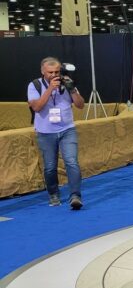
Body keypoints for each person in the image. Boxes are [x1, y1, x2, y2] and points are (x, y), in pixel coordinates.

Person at [27, 57, 85, 209]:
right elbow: (37, 107)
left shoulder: (66, 82)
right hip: (45, 132)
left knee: (72, 162)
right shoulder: (35, 85)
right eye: (50, 72)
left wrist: (72, 89)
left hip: (67, 130)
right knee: (50, 166)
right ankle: (53, 194)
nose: (54, 75)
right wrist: (50, 89)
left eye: (56, 72)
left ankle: (75, 196)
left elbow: (80, 105)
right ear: (43, 72)